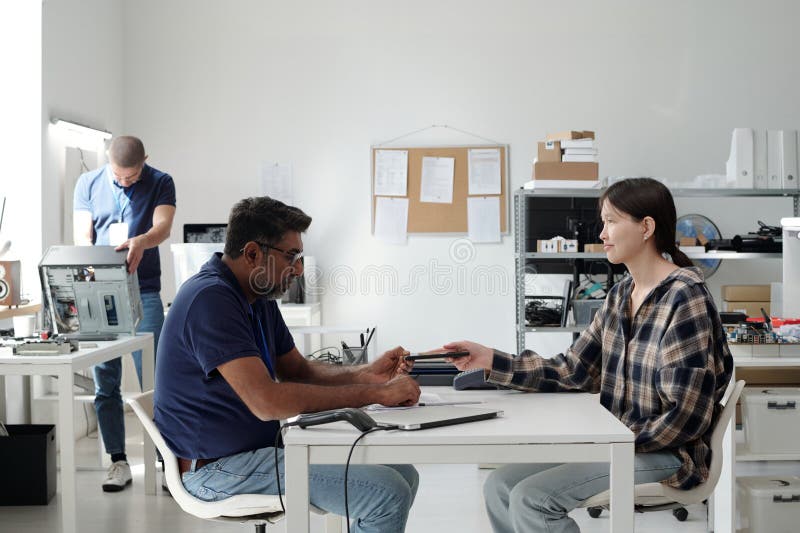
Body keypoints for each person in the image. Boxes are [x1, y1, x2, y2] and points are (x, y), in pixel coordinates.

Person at [443, 177, 733, 533]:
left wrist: (615, 441)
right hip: (620, 443)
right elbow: (573, 371)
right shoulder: (620, 295)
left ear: (646, 227)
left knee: (533, 499)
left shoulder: (684, 298)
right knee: (499, 486)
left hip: (667, 453)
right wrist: (491, 359)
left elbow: (686, 416)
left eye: (611, 221)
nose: (602, 233)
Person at [154, 197, 421, 533]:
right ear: (252, 254)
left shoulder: (256, 295)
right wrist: (375, 394)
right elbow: (269, 403)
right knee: (386, 493)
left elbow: (299, 371)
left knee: (404, 473)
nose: (298, 269)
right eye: (291, 256)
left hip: (256, 452)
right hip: (215, 469)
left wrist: (366, 374)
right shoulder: (211, 300)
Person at [73, 136, 176, 491]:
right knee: (106, 382)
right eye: (119, 176)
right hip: (100, 293)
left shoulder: (161, 181)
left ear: (145, 162)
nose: (125, 183)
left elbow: (163, 227)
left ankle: (168, 461)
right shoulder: (87, 183)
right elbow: (83, 236)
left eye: (132, 177)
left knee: (157, 380)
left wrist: (141, 241)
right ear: (107, 162)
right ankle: (118, 461)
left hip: (144, 290)